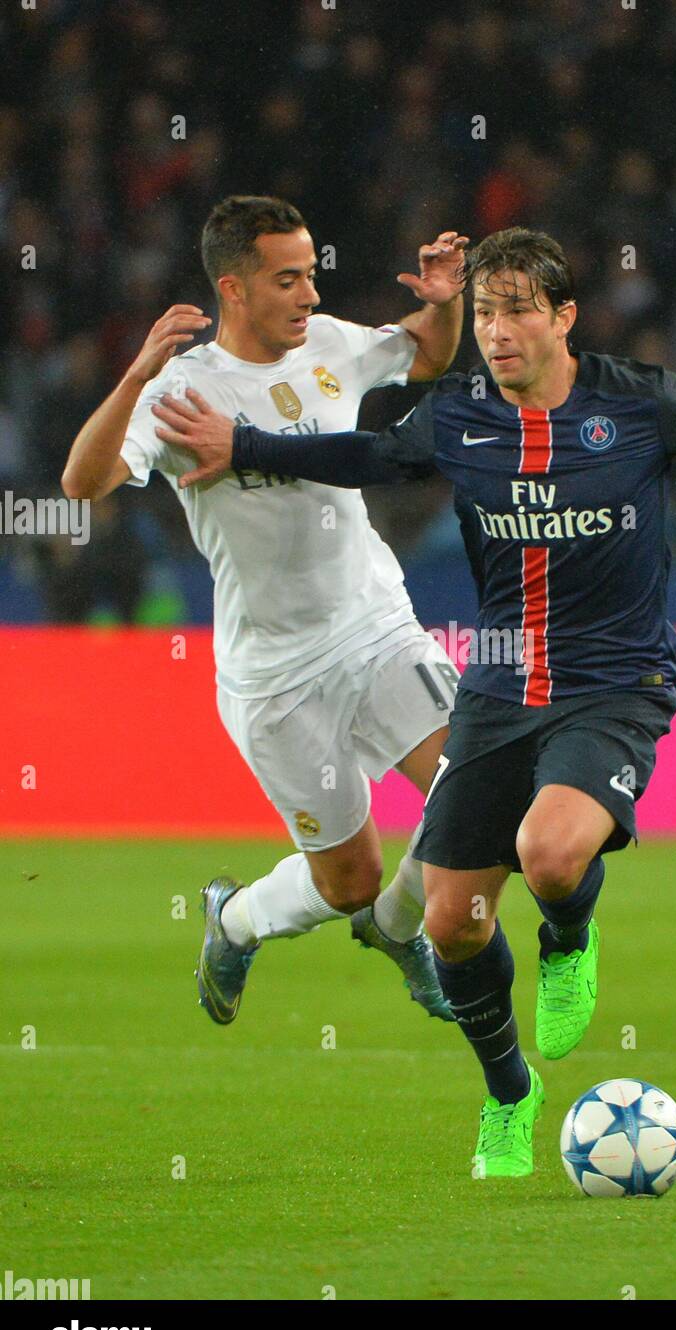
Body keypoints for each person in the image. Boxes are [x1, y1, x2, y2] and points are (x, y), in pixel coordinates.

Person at [151, 226, 676, 1176]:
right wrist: (247, 444)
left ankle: (567, 935)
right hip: (499, 690)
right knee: (449, 922)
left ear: (562, 317)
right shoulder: (460, 416)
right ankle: (509, 1097)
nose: (497, 331)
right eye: (483, 313)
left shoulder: (638, 401)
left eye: (517, 310)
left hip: (616, 683)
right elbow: (371, 457)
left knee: (549, 856)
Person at [63, 195, 468, 1026]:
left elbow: (427, 354)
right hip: (276, 675)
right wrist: (136, 375)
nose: (310, 295)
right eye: (287, 280)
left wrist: (445, 300)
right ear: (233, 289)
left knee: (479, 786)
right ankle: (237, 919)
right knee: (346, 879)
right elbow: (81, 484)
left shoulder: (328, 346)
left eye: (311, 273)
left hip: (375, 625)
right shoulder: (181, 391)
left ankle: (398, 930)